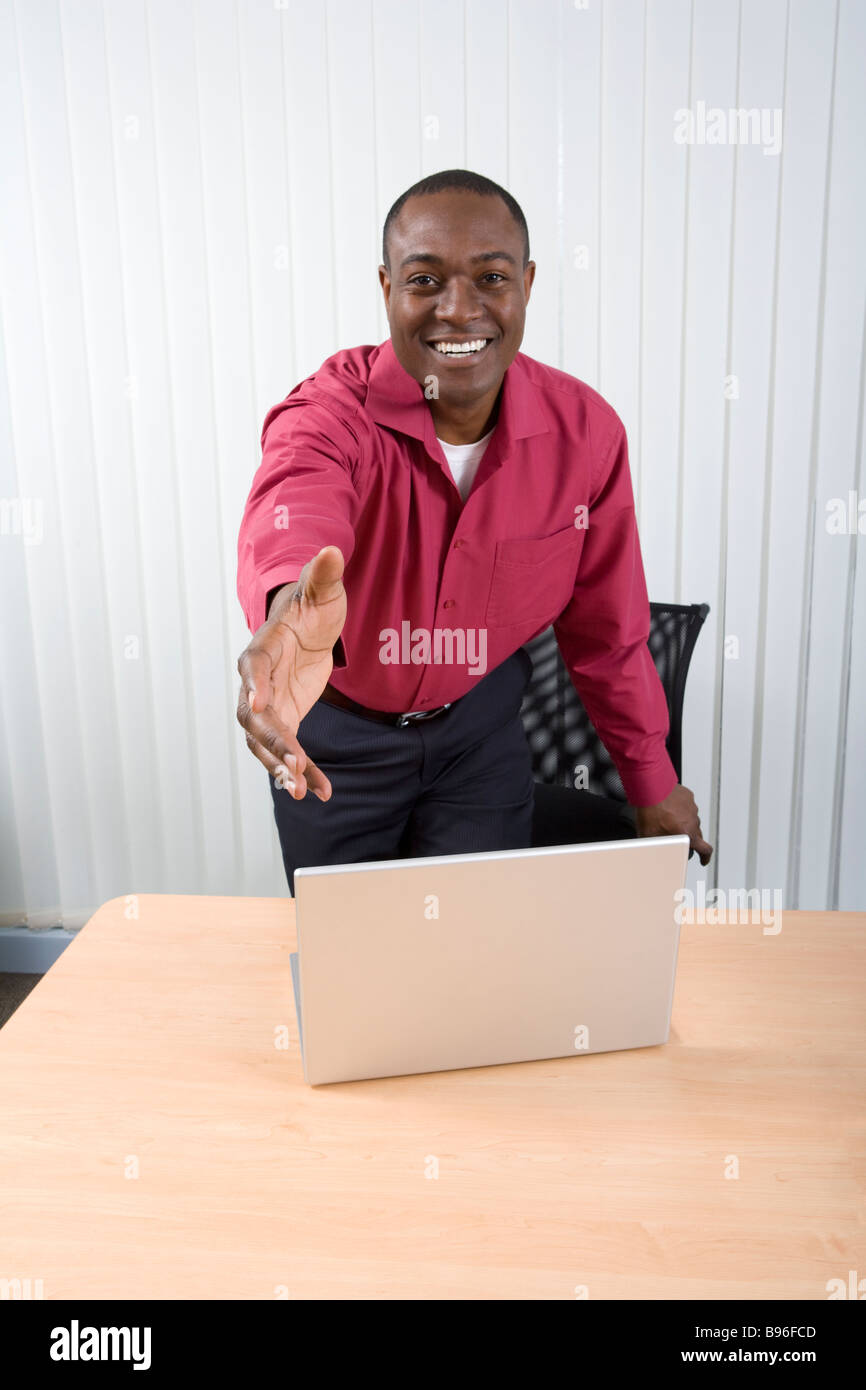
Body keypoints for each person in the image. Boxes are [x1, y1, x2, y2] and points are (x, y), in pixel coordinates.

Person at [236, 169, 712, 894]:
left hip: (477, 736)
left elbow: (608, 633)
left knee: (476, 952)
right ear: (386, 287)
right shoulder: (331, 412)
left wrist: (651, 780)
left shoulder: (586, 435)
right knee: (359, 965)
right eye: (424, 280)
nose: (458, 310)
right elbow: (298, 497)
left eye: (490, 277)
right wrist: (288, 609)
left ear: (525, 284)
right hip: (335, 741)